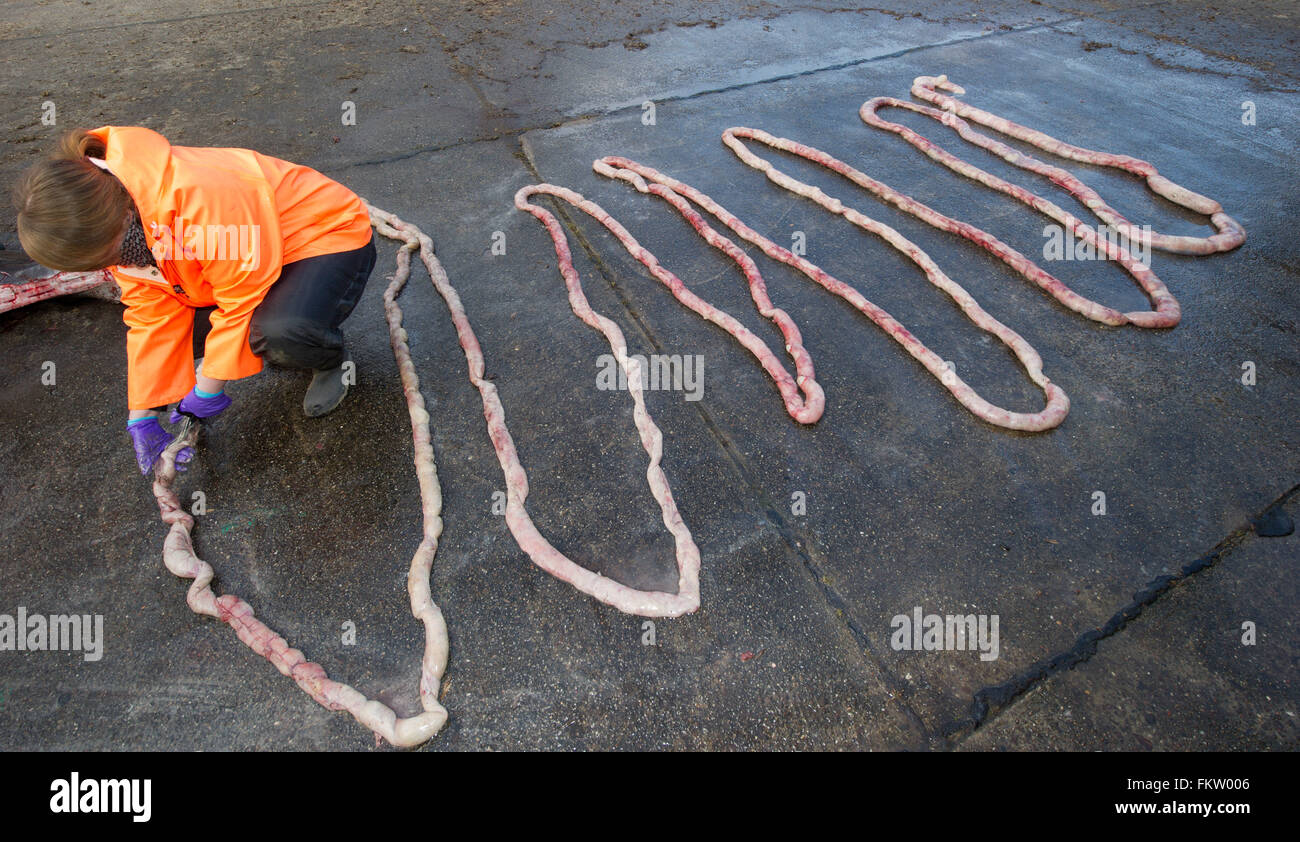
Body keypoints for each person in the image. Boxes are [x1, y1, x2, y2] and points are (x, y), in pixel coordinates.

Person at [13, 127, 377, 475]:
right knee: (189, 340)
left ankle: (328, 358)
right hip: (250, 257)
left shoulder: (199, 199)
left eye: (104, 258)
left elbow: (242, 298)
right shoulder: (121, 226)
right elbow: (149, 315)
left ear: (120, 221)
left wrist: (208, 390)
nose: (108, 267)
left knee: (276, 330)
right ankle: (294, 328)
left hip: (321, 236)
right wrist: (142, 413)